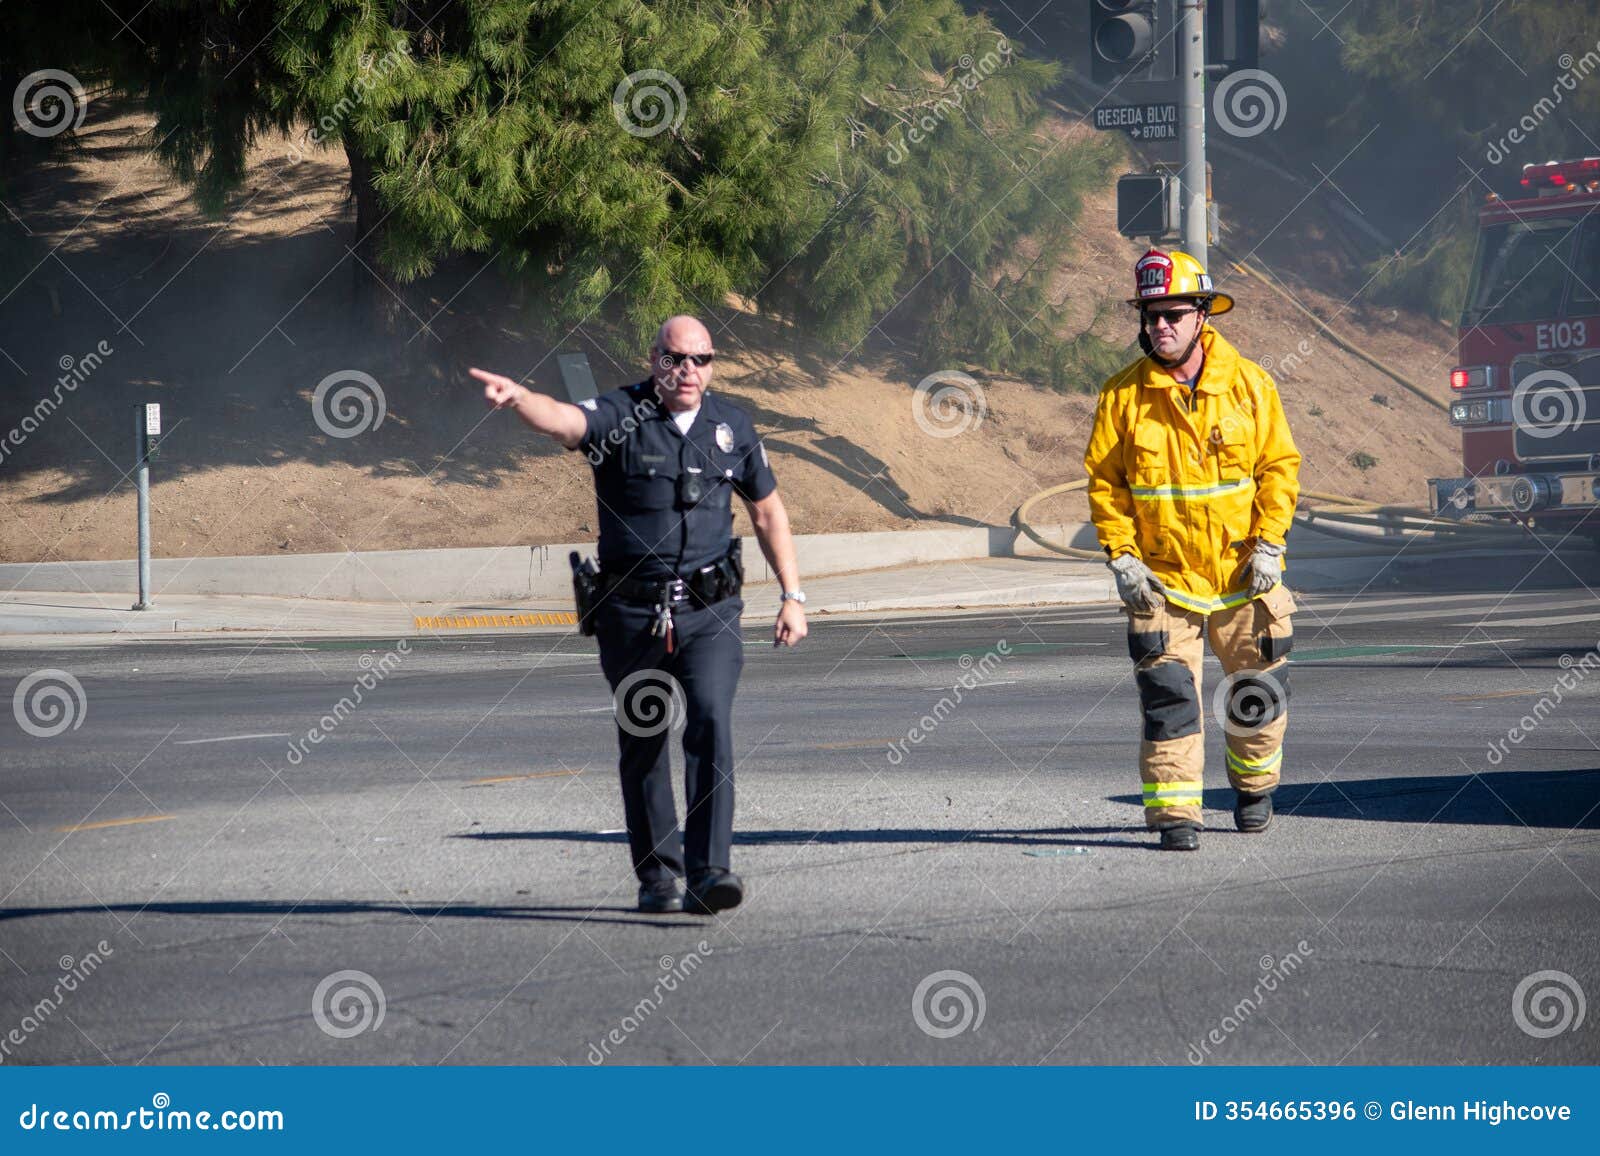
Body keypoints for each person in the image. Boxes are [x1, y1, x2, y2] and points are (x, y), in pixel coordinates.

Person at [473, 315, 808, 911]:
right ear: (654, 358)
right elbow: (565, 421)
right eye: (676, 358)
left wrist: (793, 595)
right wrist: (523, 398)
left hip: (711, 613)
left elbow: (768, 513)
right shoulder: (620, 416)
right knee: (645, 738)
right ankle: (658, 877)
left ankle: (710, 874)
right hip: (632, 616)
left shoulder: (732, 425)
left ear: (712, 364)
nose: (688, 371)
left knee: (710, 724)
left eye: (700, 360)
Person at [1083, 250, 1301, 852]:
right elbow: (1107, 486)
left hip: (1243, 578)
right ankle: (1176, 816)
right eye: (1151, 315)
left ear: (1202, 315)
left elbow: (1278, 469)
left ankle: (1254, 788)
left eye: (1174, 314)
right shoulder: (1122, 397)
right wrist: (1122, 557)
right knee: (1169, 700)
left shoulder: (1252, 386)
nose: (1161, 326)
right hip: (1164, 583)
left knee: (1256, 697)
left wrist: (1271, 543)